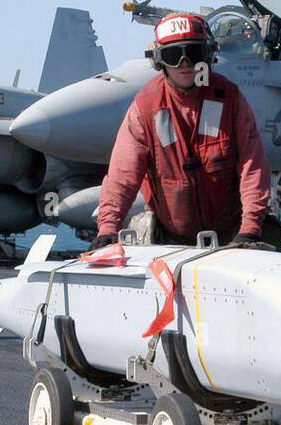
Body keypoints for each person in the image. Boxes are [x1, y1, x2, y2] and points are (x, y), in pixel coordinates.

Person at [93, 12, 271, 249]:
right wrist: (107, 229)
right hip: (170, 241)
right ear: (159, 61)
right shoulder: (146, 107)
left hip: (233, 238)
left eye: (193, 53)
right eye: (174, 55)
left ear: (208, 55)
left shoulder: (230, 100)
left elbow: (253, 165)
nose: (185, 63)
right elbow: (122, 175)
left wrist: (250, 229)